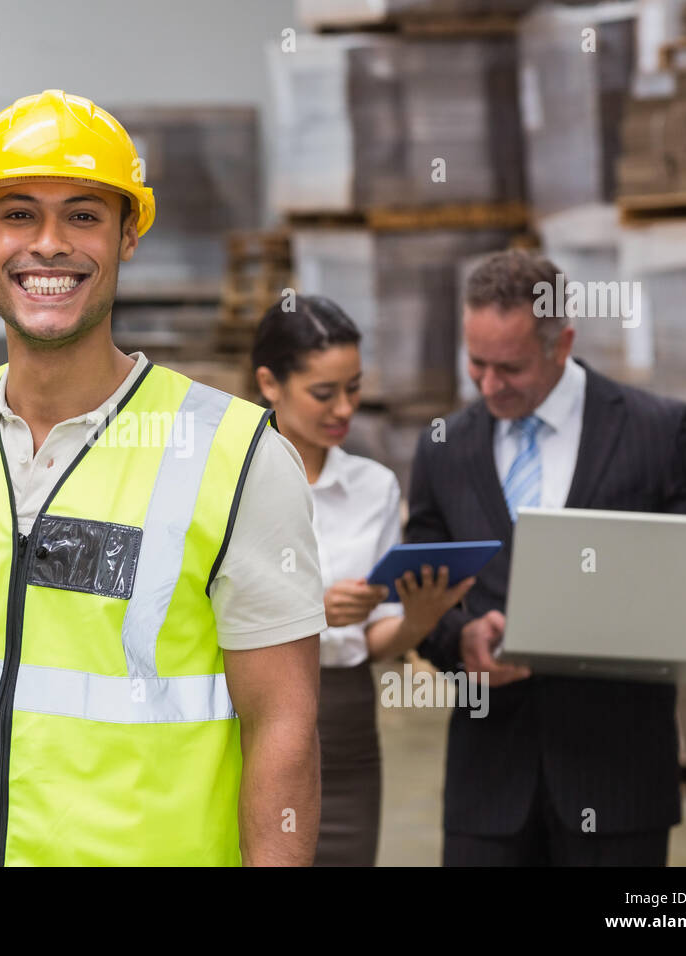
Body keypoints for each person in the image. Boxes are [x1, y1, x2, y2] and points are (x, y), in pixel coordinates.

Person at [0, 90, 328, 866]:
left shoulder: (233, 453)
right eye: (18, 214)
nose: (48, 245)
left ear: (129, 235)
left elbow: (285, 727)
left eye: (83, 215)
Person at [407, 249, 686, 866]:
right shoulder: (445, 447)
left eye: (508, 367)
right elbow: (421, 578)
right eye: (476, 363)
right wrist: (458, 639)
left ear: (561, 342)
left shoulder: (654, 430)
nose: (488, 385)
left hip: (618, 777)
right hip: (488, 783)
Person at [252, 295, 475, 866]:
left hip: (346, 719)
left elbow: (372, 641)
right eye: (324, 393)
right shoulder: (230, 481)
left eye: (354, 387)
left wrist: (420, 621)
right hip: (248, 711)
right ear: (270, 384)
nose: (345, 407)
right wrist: (311, 609)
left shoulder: (373, 488)